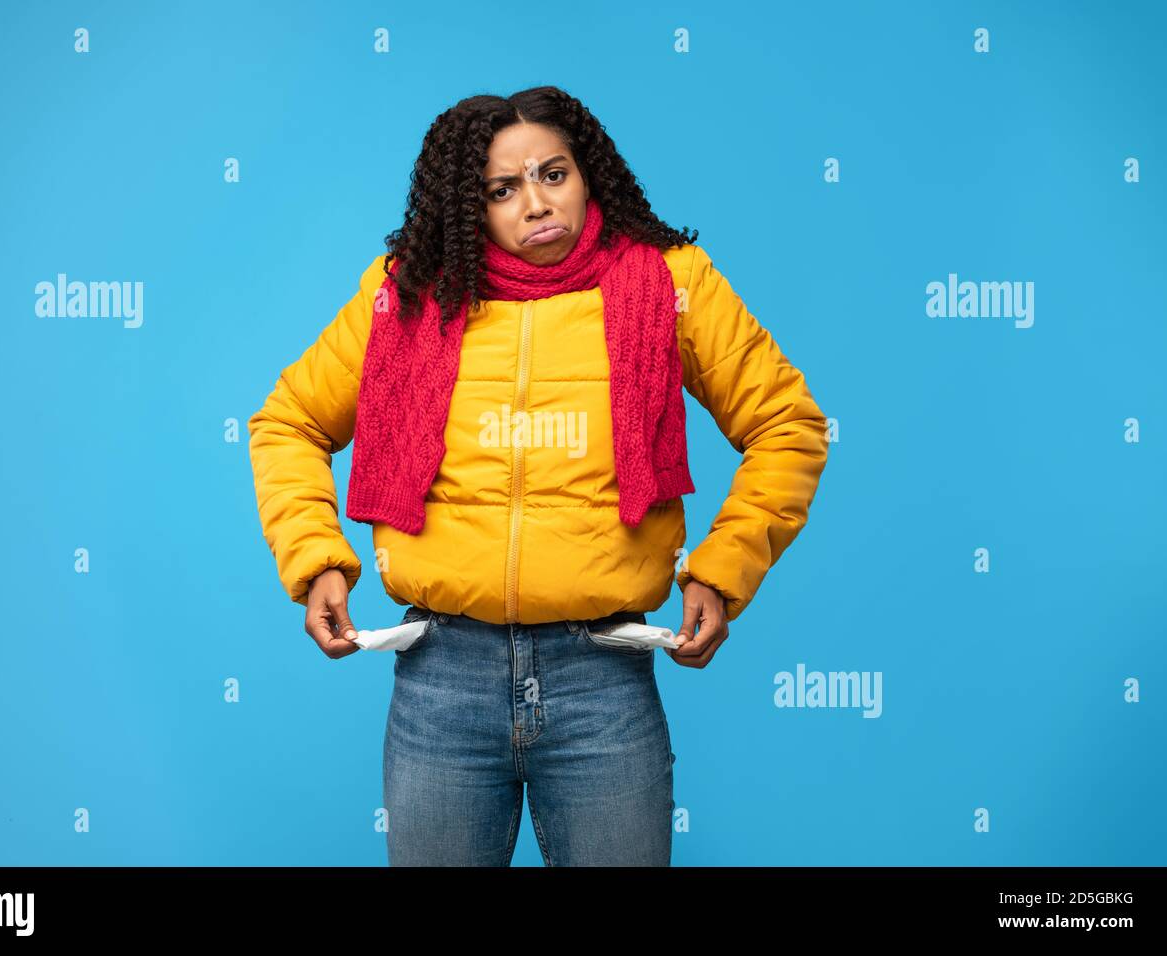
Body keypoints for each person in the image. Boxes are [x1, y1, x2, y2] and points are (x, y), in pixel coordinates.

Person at [247, 86, 829, 866]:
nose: (535, 203)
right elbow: (287, 422)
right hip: (441, 681)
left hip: (605, 680)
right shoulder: (408, 295)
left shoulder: (671, 283)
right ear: (471, 205)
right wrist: (315, 559)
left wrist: (722, 575)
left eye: (553, 174)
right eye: (502, 189)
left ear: (589, 176)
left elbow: (788, 425)